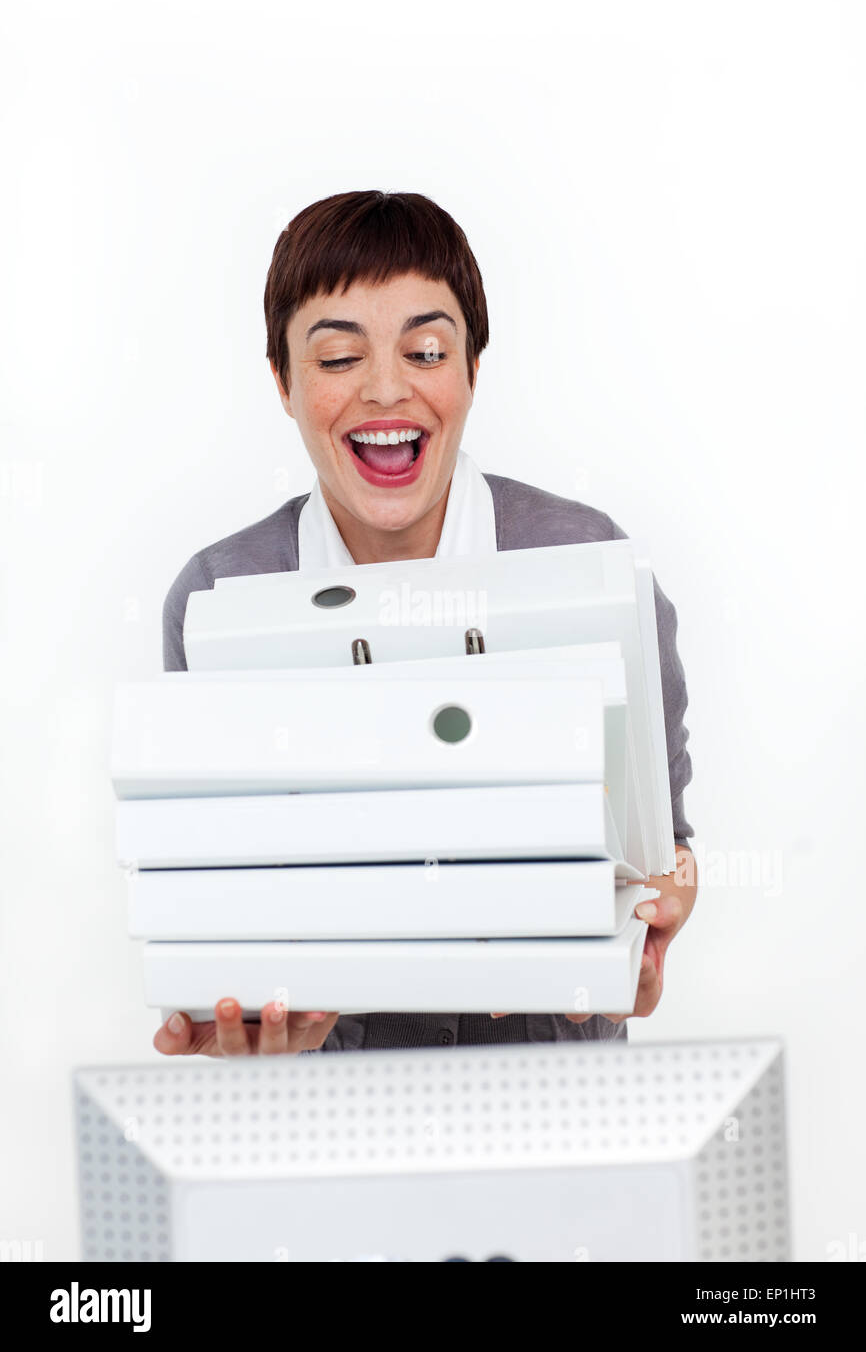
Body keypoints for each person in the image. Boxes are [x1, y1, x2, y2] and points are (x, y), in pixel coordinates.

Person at [154, 189, 697, 1058]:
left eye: (426, 349)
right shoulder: (221, 592)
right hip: (329, 1113)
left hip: (554, 1104)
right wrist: (249, 1006)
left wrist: (654, 917)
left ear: (472, 369)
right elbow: (224, 876)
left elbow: (667, 848)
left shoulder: (589, 561)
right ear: (282, 383)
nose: (385, 388)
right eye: (337, 357)